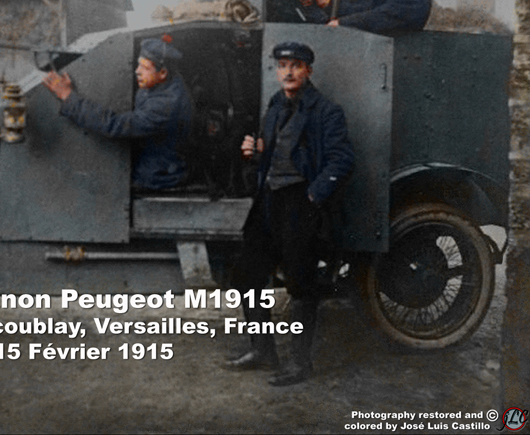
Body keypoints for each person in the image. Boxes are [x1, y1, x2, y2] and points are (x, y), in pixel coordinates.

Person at [225, 42, 354, 386]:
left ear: (308, 70)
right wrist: (254, 152)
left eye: (296, 65)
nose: (288, 71)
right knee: (249, 275)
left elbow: (342, 160)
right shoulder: (274, 106)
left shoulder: (326, 111)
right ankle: (263, 350)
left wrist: (313, 195)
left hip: (299, 203)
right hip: (269, 200)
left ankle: (300, 364)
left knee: (300, 283)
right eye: (283, 65)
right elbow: (272, 151)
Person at [42, 36, 193, 191]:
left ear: (162, 73)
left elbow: (115, 125)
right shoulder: (163, 82)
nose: (137, 71)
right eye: (138, 65)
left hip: (158, 176)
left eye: (145, 68)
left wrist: (68, 96)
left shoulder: (166, 104)